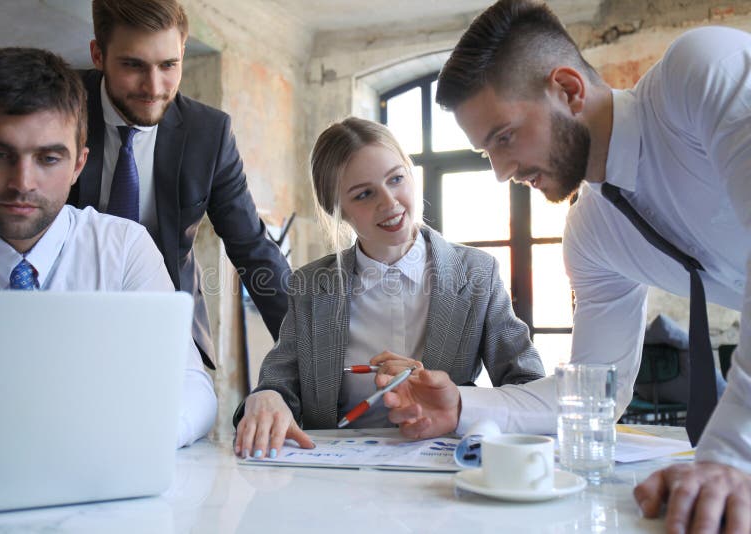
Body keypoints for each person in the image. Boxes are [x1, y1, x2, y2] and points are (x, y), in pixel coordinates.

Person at [379, 1, 751, 531]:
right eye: (487, 152)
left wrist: (731, 455)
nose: (502, 172)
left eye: (504, 136)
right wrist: (461, 406)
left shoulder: (702, 71)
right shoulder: (593, 234)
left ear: (569, 90)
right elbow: (596, 392)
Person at [232, 117, 545, 459]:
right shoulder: (309, 286)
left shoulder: (477, 274)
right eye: (364, 194)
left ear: (411, 173)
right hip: (336, 472)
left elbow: (530, 390)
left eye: (396, 179)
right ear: (337, 210)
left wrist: (453, 398)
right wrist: (268, 398)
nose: (389, 202)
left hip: (442, 468)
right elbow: (278, 385)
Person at [0, 46, 216, 449]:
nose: (23, 183)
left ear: (78, 164)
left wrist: (130, 440)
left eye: (48, 158)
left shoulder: (123, 249)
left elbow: (190, 386)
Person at [68, 0, 291, 369]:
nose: (153, 87)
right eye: (133, 65)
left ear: (182, 53)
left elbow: (253, 248)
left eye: (168, 65)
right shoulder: (60, 106)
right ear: (98, 55)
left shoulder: (209, 133)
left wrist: (312, 351)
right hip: (70, 317)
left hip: (168, 324)